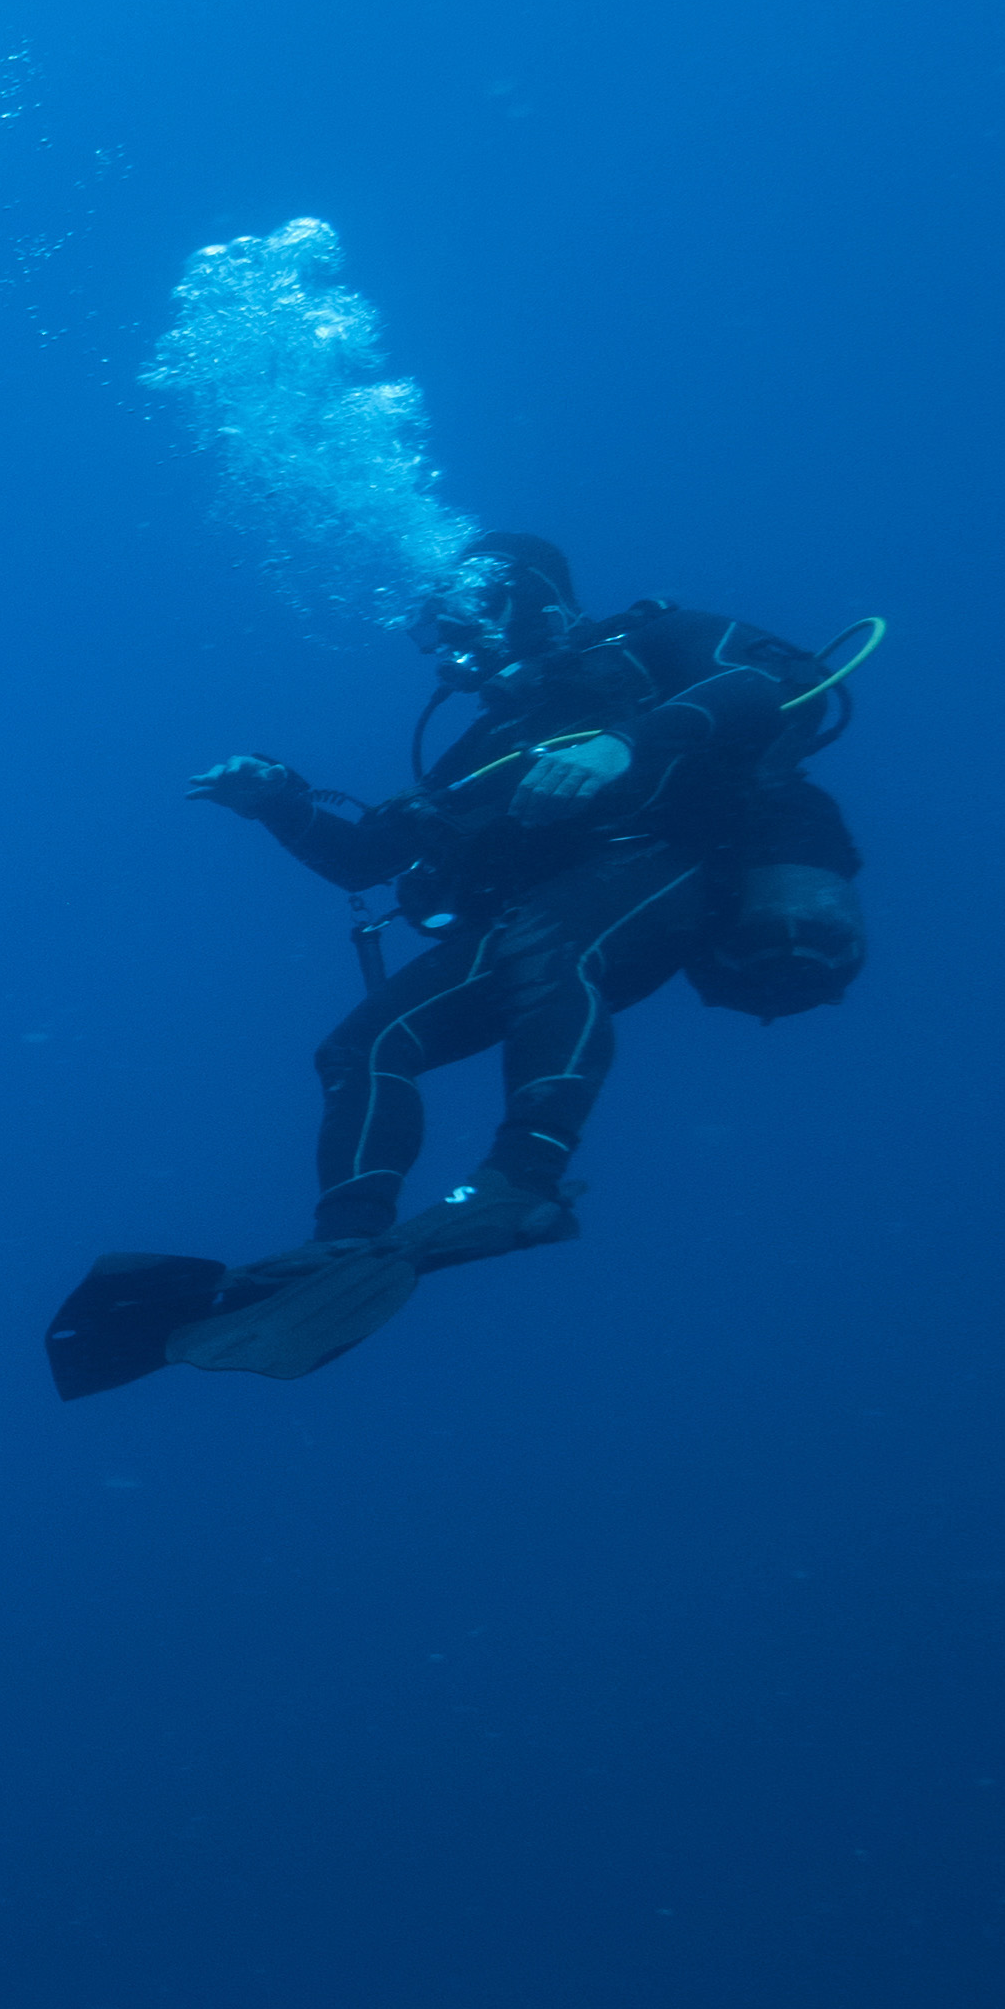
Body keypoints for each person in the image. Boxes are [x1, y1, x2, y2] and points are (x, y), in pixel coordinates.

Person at [48, 536, 873, 1396]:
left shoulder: (653, 647)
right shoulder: (489, 738)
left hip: (674, 864)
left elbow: (780, 682)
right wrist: (278, 807)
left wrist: (627, 743)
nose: (453, 648)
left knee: (547, 950)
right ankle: (348, 1234)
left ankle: (522, 1178)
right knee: (361, 1045)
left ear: (534, 601)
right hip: (538, 911)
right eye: (436, 632)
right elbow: (370, 859)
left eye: (468, 618)